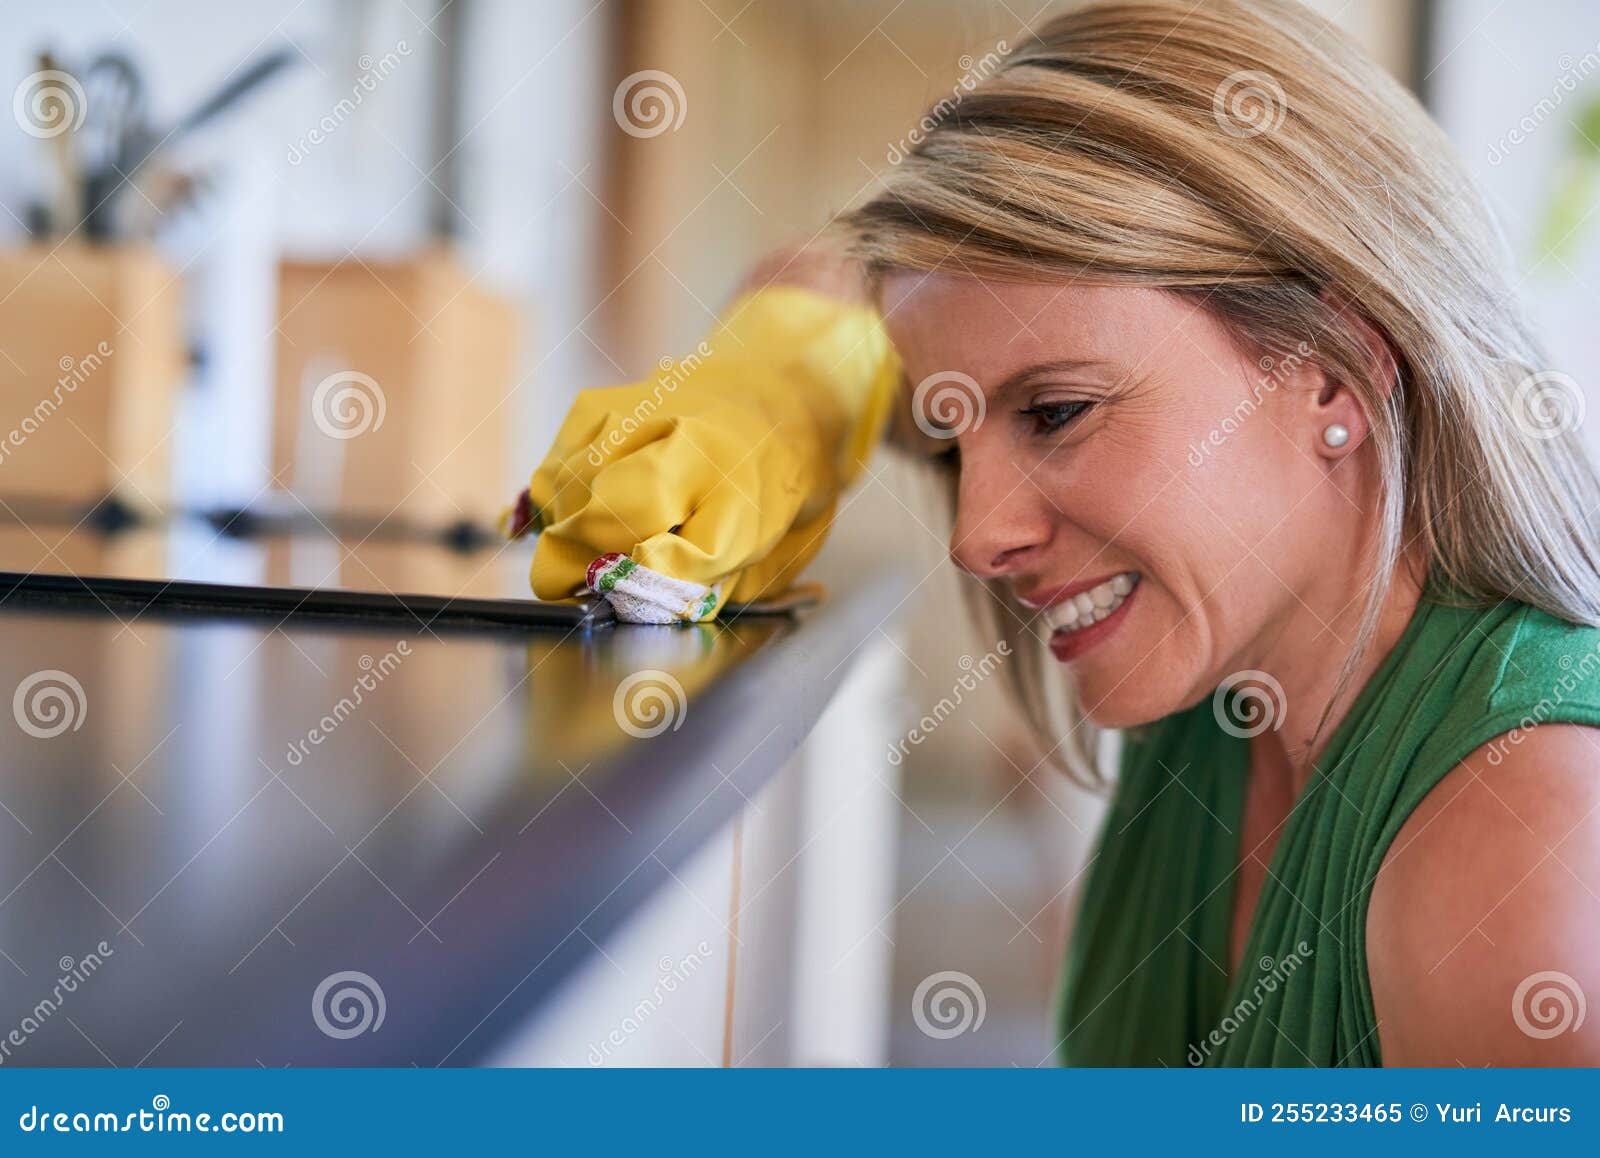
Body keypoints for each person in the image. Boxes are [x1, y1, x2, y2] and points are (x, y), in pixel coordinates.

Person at [509, 0, 1600, 1065]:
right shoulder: (1238, 665)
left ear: (1331, 376)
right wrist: (768, 378)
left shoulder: (1522, 851)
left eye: (1056, 414)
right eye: (950, 441)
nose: (975, 537)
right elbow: (822, 275)